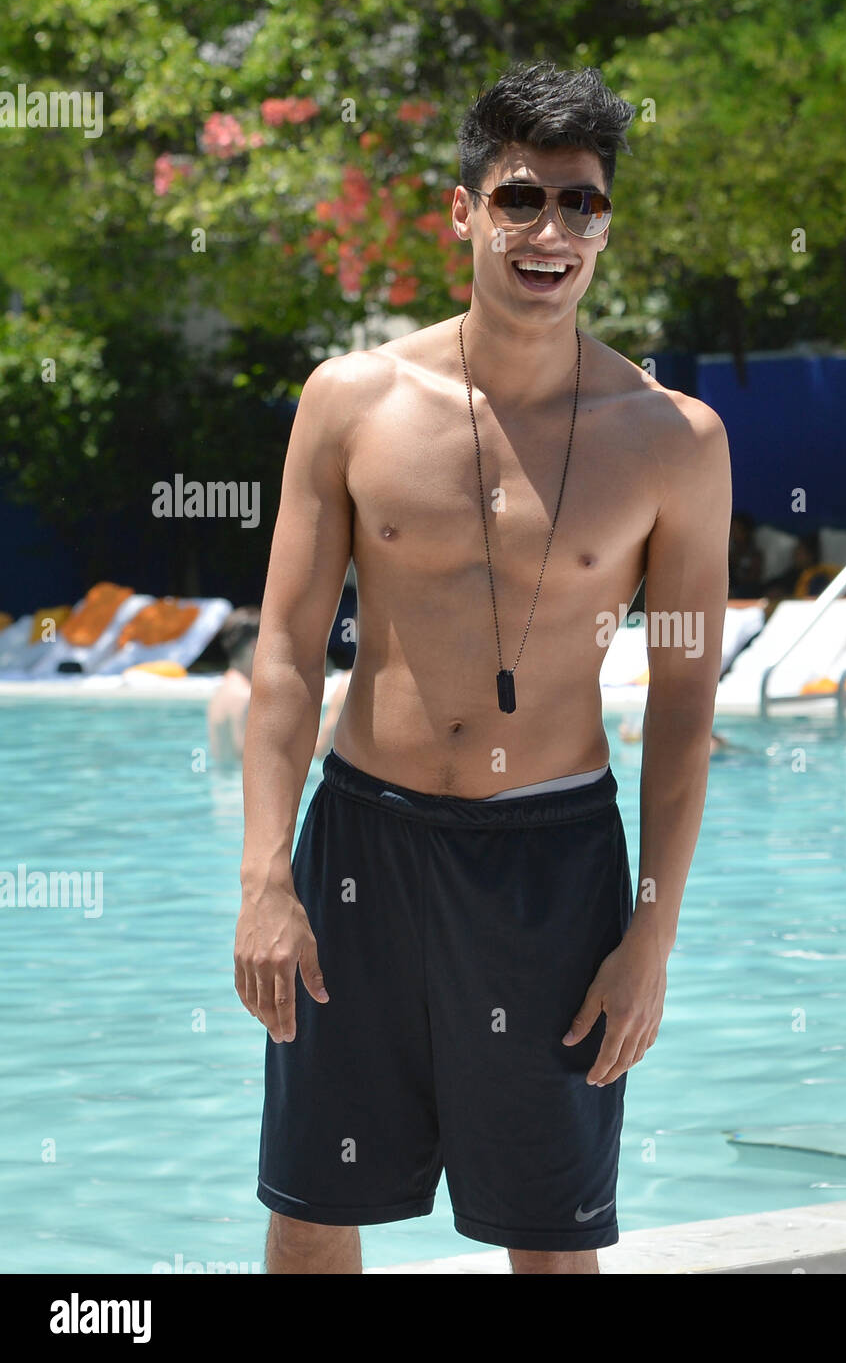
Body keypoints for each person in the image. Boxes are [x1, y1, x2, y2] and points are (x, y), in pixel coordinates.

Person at [233, 62, 731, 1276]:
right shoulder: (352, 402)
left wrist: (650, 935)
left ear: (606, 224)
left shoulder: (674, 441)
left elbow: (683, 705)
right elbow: (290, 653)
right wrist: (265, 874)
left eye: (580, 204)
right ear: (462, 213)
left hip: (552, 864)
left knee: (551, 1239)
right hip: (365, 842)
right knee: (310, 1212)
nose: (550, 232)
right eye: (520, 200)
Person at [206, 606, 260, 765]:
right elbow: (249, 761)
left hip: (223, 786)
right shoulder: (244, 696)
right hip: (238, 788)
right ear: (254, 644)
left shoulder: (222, 691)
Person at [727, 511, 766, 598]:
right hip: (729, 589)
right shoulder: (728, 553)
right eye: (732, 529)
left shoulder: (755, 555)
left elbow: (753, 579)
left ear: (746, 531)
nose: (734, 533)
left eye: (737, 529)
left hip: (747, 593)